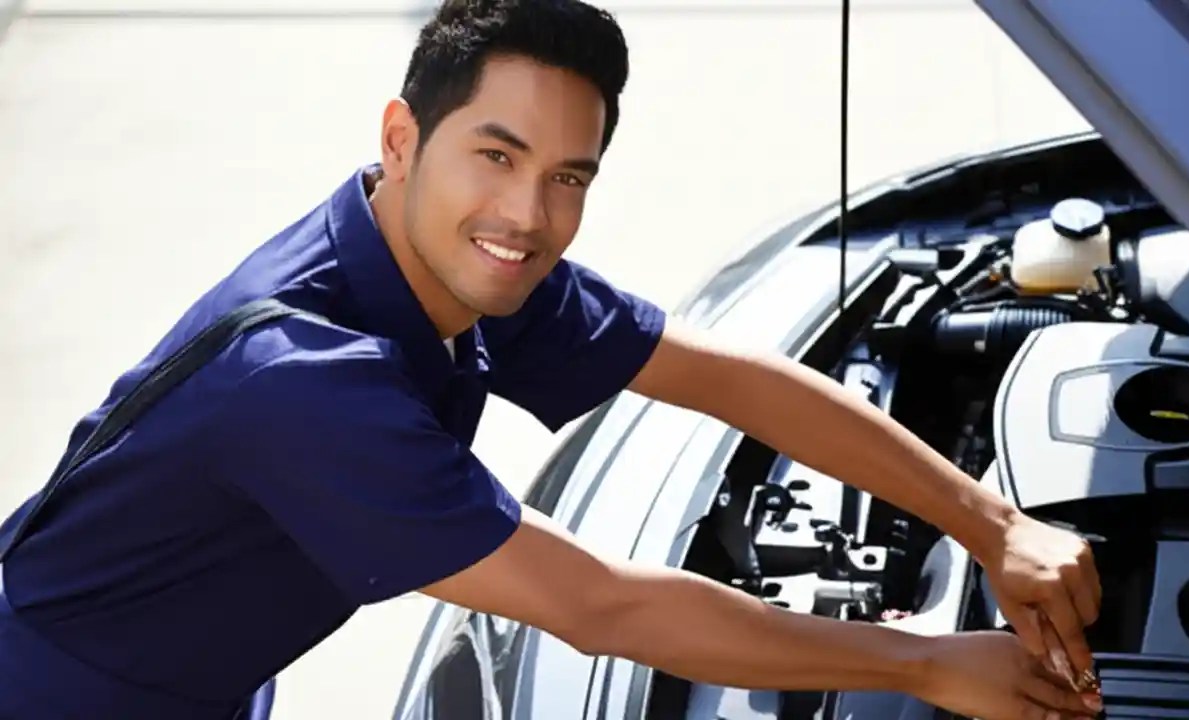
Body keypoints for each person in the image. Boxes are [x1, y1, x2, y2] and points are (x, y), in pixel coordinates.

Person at [0, 1, 1104, 718]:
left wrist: (991, 524)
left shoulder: (455, 256)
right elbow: (598, 607)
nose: (528, 214)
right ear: (400, 139)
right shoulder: (298, 380)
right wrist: (915, 660)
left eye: (568, 175)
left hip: (201, 672)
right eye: (497, 154)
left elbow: (719, 375)